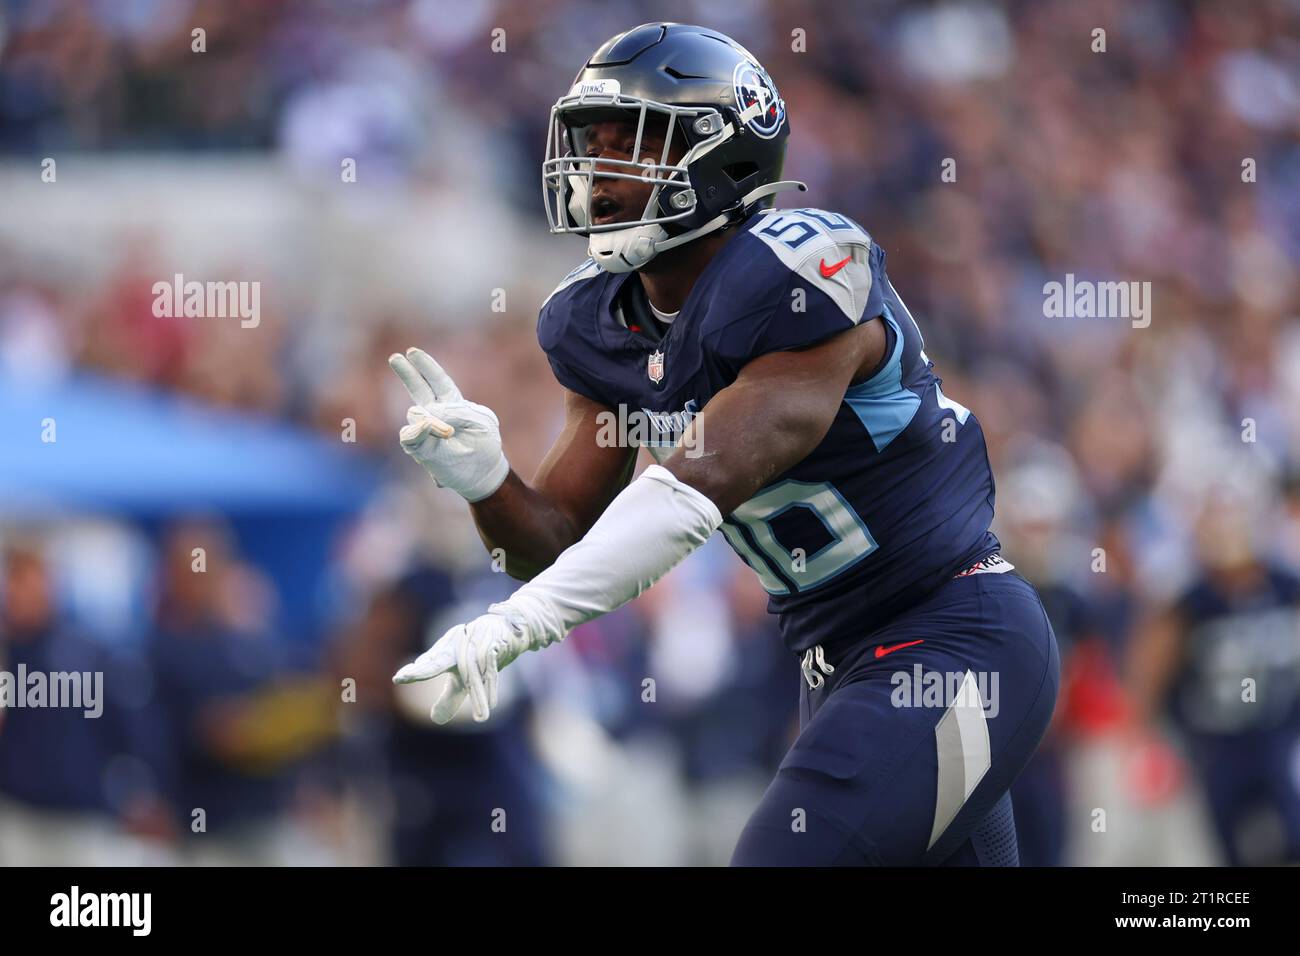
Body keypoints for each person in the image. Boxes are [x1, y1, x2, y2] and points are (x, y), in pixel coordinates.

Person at [386, 22, 1058, 865]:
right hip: (841, 664)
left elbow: (696, 485)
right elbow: (554, 540)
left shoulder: (797, 273)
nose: (599, 170)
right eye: (591, 144)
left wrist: (515, 627)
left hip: (951, 635)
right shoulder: (598, 321)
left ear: (723, 156)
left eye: (632, 144)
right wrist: (488, 484)